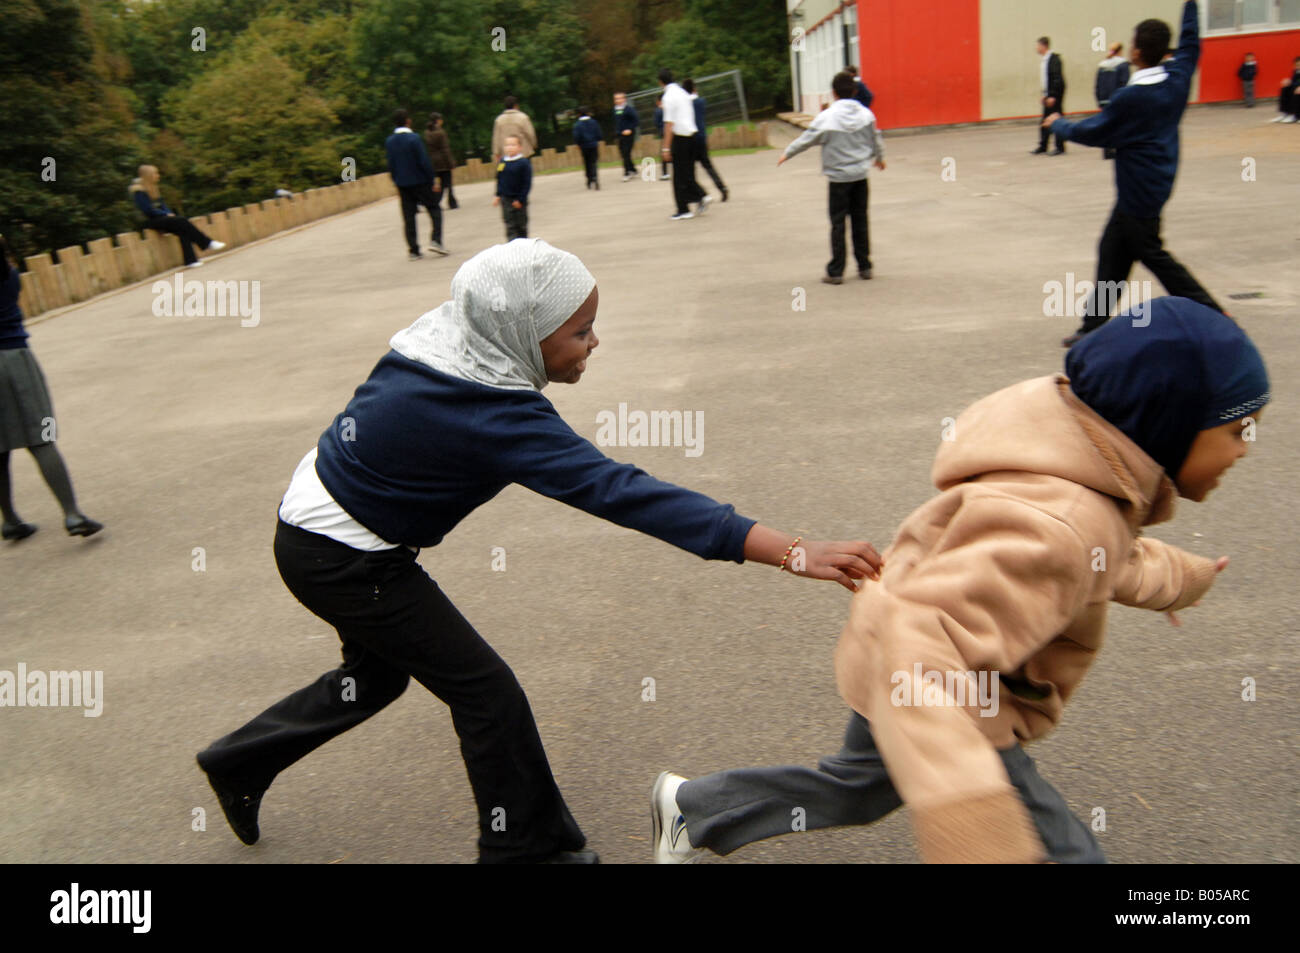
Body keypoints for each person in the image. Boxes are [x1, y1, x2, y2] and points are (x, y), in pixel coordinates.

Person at [194, 238, 884, 864]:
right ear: (523, 332)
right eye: (580, 332)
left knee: (377, 676)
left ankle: (239, 763)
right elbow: (624, 492)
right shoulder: (494, 414)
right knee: (487, 694)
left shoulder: (450, 337)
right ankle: (523, 852)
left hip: (312, 522)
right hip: (343, 559)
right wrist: (794, 550)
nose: (595, 342)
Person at [651, 297, 1268, 864]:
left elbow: (1110, 557)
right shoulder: (1070, 518)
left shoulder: (1082, 475)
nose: (1246, 451)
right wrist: (973, 822)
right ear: (1170, 421)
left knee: (861, 789)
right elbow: (929, 637)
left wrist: (1185, 579)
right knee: (1062, 853)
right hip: (948, 690)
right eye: (1238, 430)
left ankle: (692, 807)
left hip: (914, 661)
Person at [1047, 1, 1223, 347]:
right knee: (1113, 249)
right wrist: (1191, 6)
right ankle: (1094, 326)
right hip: (1154, 183)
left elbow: (1095, 131)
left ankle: (1214, 314)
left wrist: (1060, 125)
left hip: (1139, 190)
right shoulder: (1177, 78)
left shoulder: (1132, 98)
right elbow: (1191, 42)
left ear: (1137, 51)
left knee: (1152, 254)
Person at [0, 236, 103, 541]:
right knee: (42, 439)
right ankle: (72, 514)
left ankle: (10, 520)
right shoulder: (10, 277)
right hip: (15, 361)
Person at [778, 71, 885, 284]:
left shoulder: (827, 118)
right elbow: (876, 138)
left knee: (838, 223)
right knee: (860, 220)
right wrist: (879, 158)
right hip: (860, 176)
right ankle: (865, 267)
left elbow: (807, 139)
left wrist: (787, 153)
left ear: (834, 93)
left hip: (838, 179)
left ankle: (836, 271)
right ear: (855, 91)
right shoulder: (866, 115)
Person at [128, 165, 225, 268]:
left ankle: (191, 261)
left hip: (160, 218)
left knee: (182, 229)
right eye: (155, 173)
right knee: (181, 221)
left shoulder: (153, 188)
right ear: (148, 175)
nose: (158, 176)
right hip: (149, 221)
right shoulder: (138, 191)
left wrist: (169, 214)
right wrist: (165, 214)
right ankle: (207, 243)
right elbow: (147, 210)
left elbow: (162, 205)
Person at [384, 109, 447, 261]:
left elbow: (391, 164)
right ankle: (436, 240)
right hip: (420, 181)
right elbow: (423, 161)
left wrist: (396, 180)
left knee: (408, 217)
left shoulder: (390, 141)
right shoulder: (414, 138)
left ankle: (413, 250)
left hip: (402, 184)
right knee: (434, 209)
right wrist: (432, 179)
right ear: (408, 121)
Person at [658, 68, 707, 221]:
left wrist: (666, 147)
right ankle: (693, 200)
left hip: (680, 137)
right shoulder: (683, 93)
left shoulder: (668, 97)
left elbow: (669, 124)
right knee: (685, 173)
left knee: (679, 176)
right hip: (692, 135)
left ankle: (689, 205)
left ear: (660, 82)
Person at [682, 79, 728, 202]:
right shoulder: (701, 102)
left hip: (690, 138)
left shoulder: (684, 104)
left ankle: (701, 194)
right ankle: (722, 187)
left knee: (689, 170)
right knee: (708, 166)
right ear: (694, 89)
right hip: (701, 137)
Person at [1095, 42, 1130, 159]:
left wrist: (1099, 100)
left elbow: (1097, 85)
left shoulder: (1102, 65)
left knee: (1107, 125)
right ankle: (1118, 147)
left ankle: (1107, 150)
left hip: (1104, 100)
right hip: (1117, 99)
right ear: (1120, 51)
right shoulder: (1123, 65)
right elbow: (1124, 83)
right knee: (1119, 125)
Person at [492, 136, 532, 240]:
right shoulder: (502, 162)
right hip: (506, 199)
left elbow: (526, 183)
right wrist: (497, 194)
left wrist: (520, 199)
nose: (510, 147)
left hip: (519, 200)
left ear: (519, 147)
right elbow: (499, 178)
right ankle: (512, 247)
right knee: (509, 224)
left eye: (513, 145)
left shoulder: (523, 163)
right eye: (507, 145)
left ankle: (524, 247)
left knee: (521, 225)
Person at [1033, 37, 1066, 155]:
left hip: (1055, 96)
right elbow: (1046, 80)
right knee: (1045, 121)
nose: (1036, 48)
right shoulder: (1045, 60)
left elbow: (1057, 79)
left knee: (1057, 120)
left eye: (1037, 46)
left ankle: (1060, 147)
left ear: (1043, 46)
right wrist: (1044, 94)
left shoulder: (1054, 60)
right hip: (1048, 95)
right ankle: (1043, 146)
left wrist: (1053, 96)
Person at [423, 112, 458, 209]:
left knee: (438, 184)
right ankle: (451, 202)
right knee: (448, 184)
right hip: (443, 161)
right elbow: (445, 149)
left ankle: (436, 200)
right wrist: (451, 163)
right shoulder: (441, 132)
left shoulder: (427, 133)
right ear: (438, 120)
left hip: (433, 162)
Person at [490, 95, 538, 160]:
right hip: (523, 152)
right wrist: (533, 144)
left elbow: (496, 138)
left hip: (507, 154)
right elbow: (530, 133)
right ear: (516, 105)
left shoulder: (499, 120)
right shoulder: (523, 117)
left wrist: (496, 152)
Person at [572, 106, 603, 190]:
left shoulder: (577, 125)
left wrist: (578, 143)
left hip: (584, 146)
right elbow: (599, 134)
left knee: (587, 162)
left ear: (579, 114)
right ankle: (595, 177)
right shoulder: (594, 122)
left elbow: (576, 136)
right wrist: (597, 139)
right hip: (593, 144)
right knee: (594, 162)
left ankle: (589, 179)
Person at [614, 92, 639, 181]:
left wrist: (630, 129)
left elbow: (636, 121)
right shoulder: (616, 109)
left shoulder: (629, 109)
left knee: (626, 152)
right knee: (623, 153)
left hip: (628, 135)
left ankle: (627, 172)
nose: (618, 100)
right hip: (620, 134)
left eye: (619, 98)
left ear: (624, 99)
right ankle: (633, 169)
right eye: (616, 99)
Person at [1270, 56, 1300, 122]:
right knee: (1284, 89)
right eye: (1296, 65)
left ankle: (1296, 115)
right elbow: (1294, 81)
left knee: (1296, 92)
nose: (1297, 67)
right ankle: (1285, 113)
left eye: (1298, 65)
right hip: (1295, 88)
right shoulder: (1296, 71)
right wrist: (1288, 81)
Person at [653, 98, 670, 180]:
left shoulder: (658, 111)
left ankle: (665, 173)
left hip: (664, 134)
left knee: (664, 152)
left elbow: (656, 123)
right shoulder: (670, 108)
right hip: (674, 132)